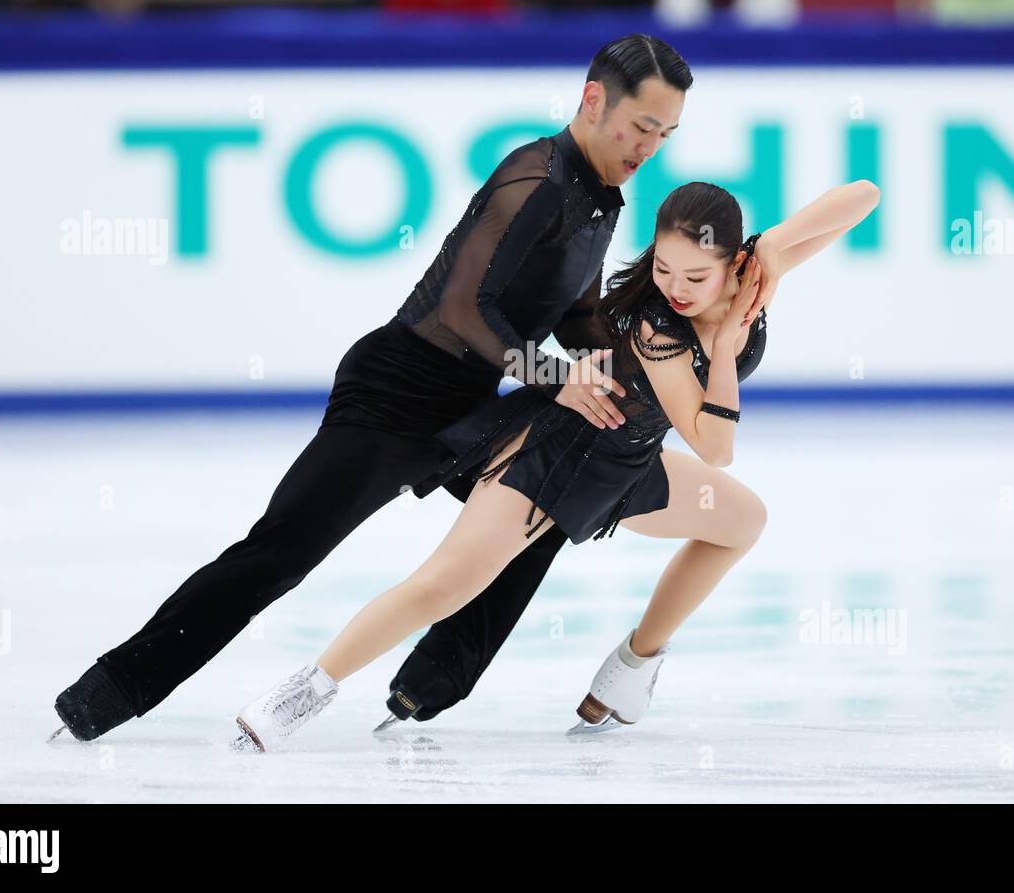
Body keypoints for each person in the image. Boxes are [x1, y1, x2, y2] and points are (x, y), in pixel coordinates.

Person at [52, 34, 780, 743]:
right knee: (283, 550)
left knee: (551, 500)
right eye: (641, 126)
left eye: (665, 133)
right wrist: (561, 377)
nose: (648, 147)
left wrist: (642, 366)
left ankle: (424, 686)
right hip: (396, 392)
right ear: (594, 101)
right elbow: (464, 311)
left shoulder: (602, 200)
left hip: (476, 398)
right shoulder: (536, 178)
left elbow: (578, 315)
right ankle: (111, 691)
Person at [232, 177, 881, 751]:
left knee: (741, 521)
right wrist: (726, 336)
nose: (676, 290)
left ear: (733, 260)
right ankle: (303, 692)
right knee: (446, 585)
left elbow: (862, 197)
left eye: (696, 277)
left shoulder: (750, 272)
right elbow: (714, 446)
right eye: (664, 270)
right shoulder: (660, 329)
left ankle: (629, 669)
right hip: (558, 454)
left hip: (625, 464)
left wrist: (772, 251)